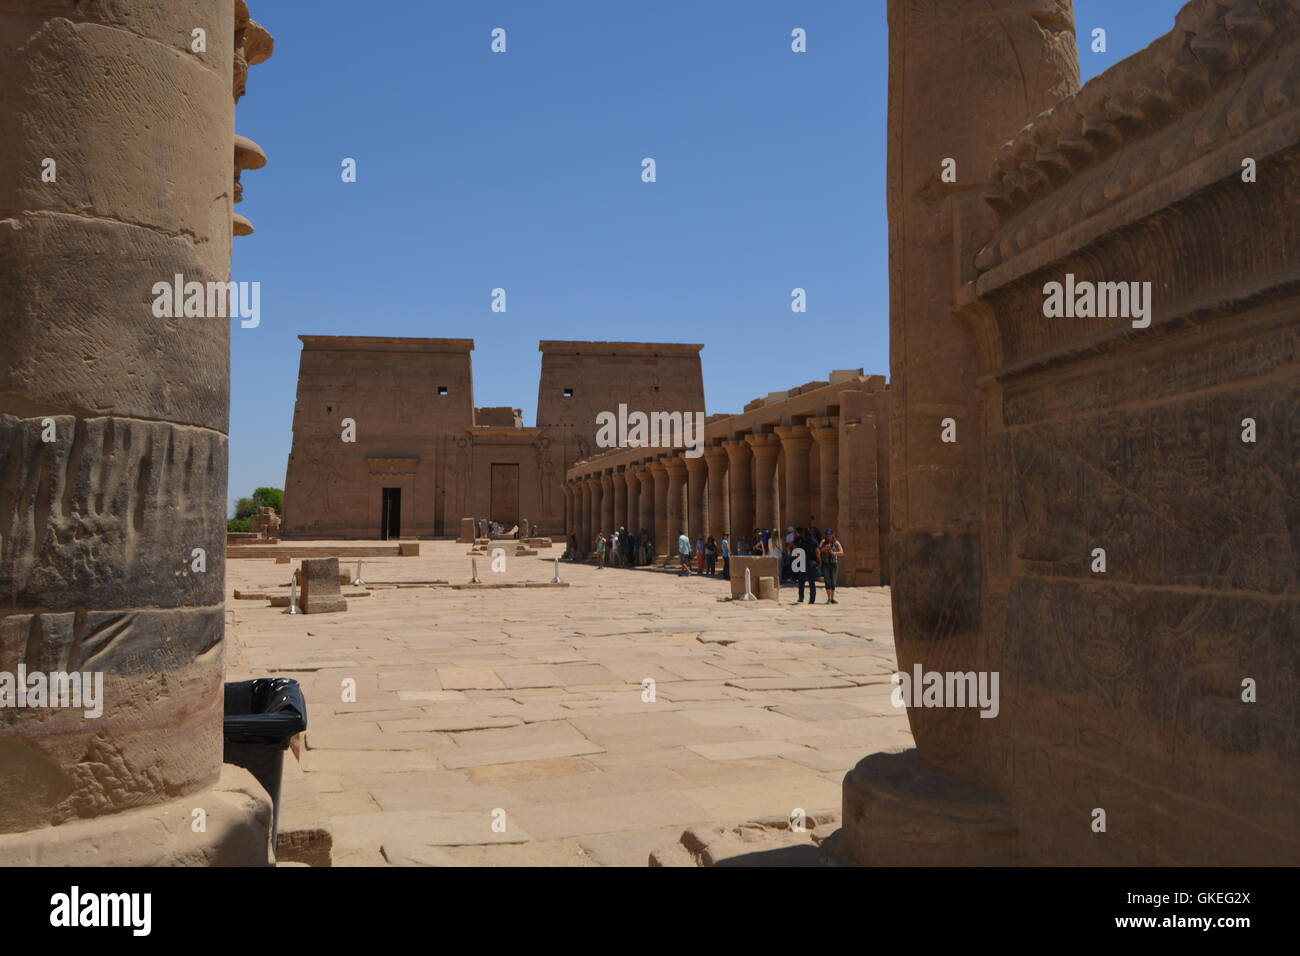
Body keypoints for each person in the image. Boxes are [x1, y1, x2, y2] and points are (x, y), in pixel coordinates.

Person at [818, 528, 844, 604]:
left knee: (833, 581)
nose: (828, 537)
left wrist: (833, 553)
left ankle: (832, 598)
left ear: (833, 535)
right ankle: (828, 598)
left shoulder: (836, 543)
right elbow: (818, 551)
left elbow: (842, 552)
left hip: (834, 564)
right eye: (827, 536)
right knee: (827, 581)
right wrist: (824, 548)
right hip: (825, 564)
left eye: (830, 536)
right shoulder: (823, 542)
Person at [796, 526, 818, 604]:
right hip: (812, 563)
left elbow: (798, 553)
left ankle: (801, 597)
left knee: (801, 582)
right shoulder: (814, 542)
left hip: (803, 563)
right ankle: (812, 599)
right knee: (812, 582)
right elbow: (817, 552)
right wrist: (819, 562)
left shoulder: (802, 542)